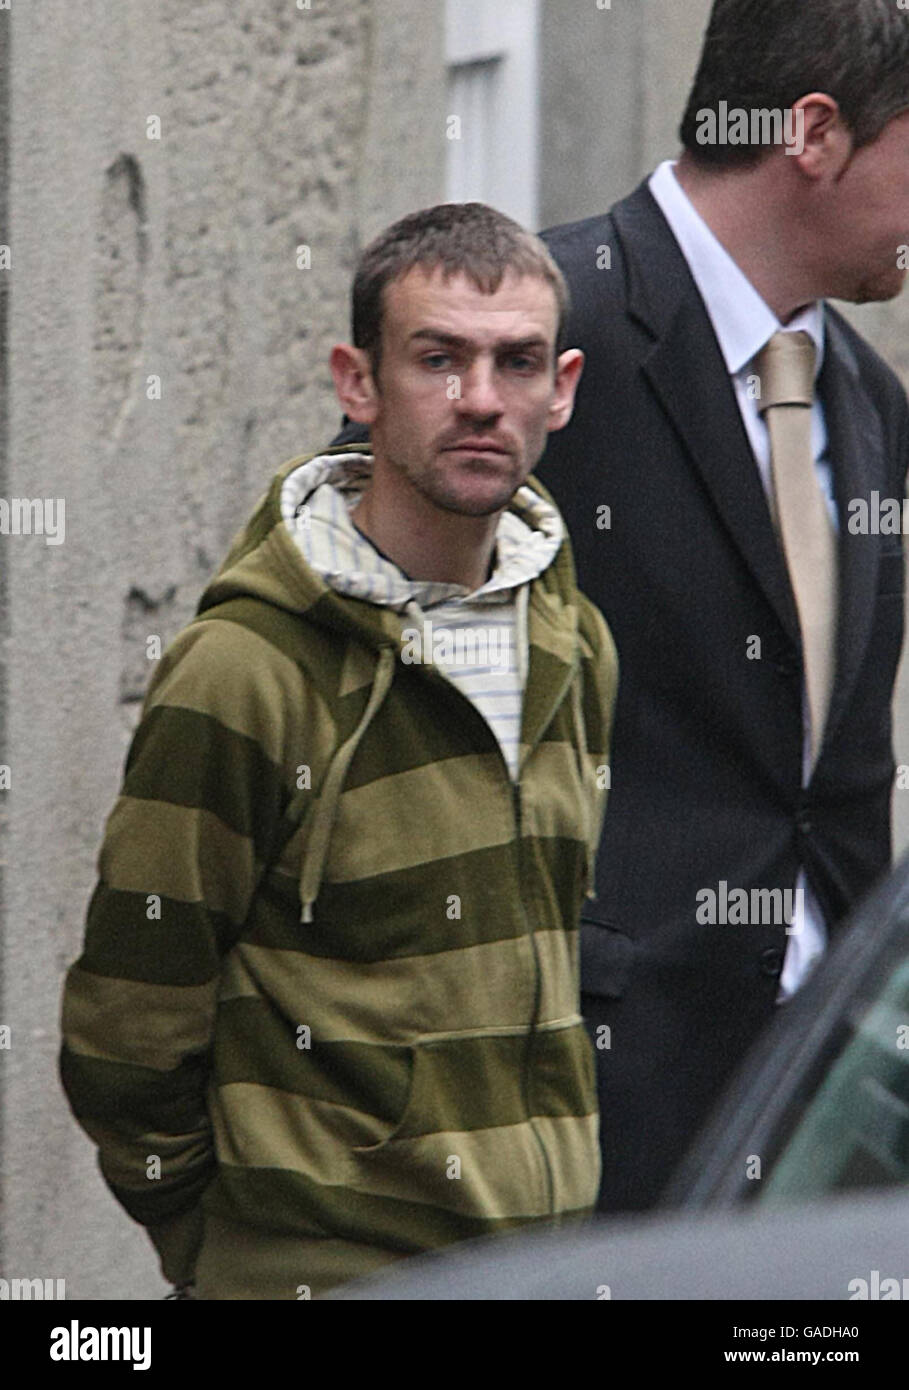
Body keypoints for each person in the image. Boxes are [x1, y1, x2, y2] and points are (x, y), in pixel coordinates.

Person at [58, 202, 618, 1299]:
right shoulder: (244, 670)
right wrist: (228, 1255)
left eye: (517, 362)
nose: (480, 400)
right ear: (356, 383)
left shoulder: (573, 639)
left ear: (563, 388)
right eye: (437, 359)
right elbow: (128, 1028)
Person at [530, 0, 909, 1210]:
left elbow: (831, 774)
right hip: (591, 1113)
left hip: (814, 1124)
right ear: (815, 132)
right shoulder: (544, 333)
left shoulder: (870, 399)